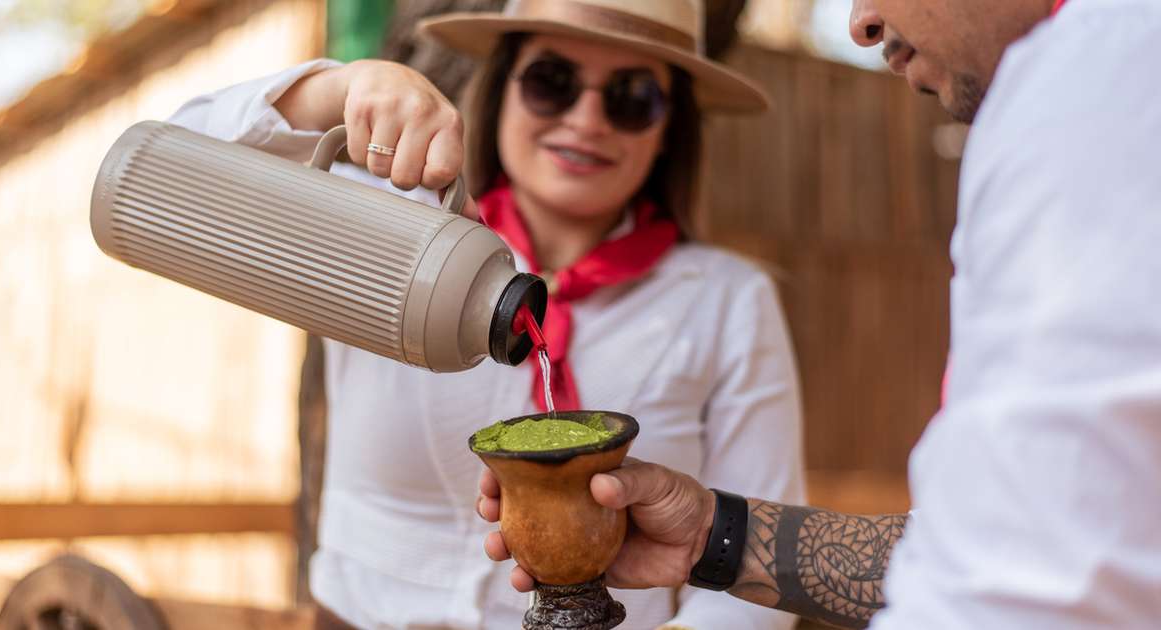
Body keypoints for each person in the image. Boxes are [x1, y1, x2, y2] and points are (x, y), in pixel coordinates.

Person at [481, 0, 1161, 627]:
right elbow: (1016, 532)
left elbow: (1028, 585)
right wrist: (711, 535)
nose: (861, 23)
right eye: (550, 80)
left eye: (634, 98)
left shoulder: (1095, 83)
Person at [167, 0, 805, 627]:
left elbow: (752, 564)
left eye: (632, 97)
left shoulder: (726, 299)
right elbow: (165, 169)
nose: (587, 119)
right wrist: (336, 88)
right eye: (552, 82)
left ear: (671, 128)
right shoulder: (387, 229)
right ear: (502, 88)